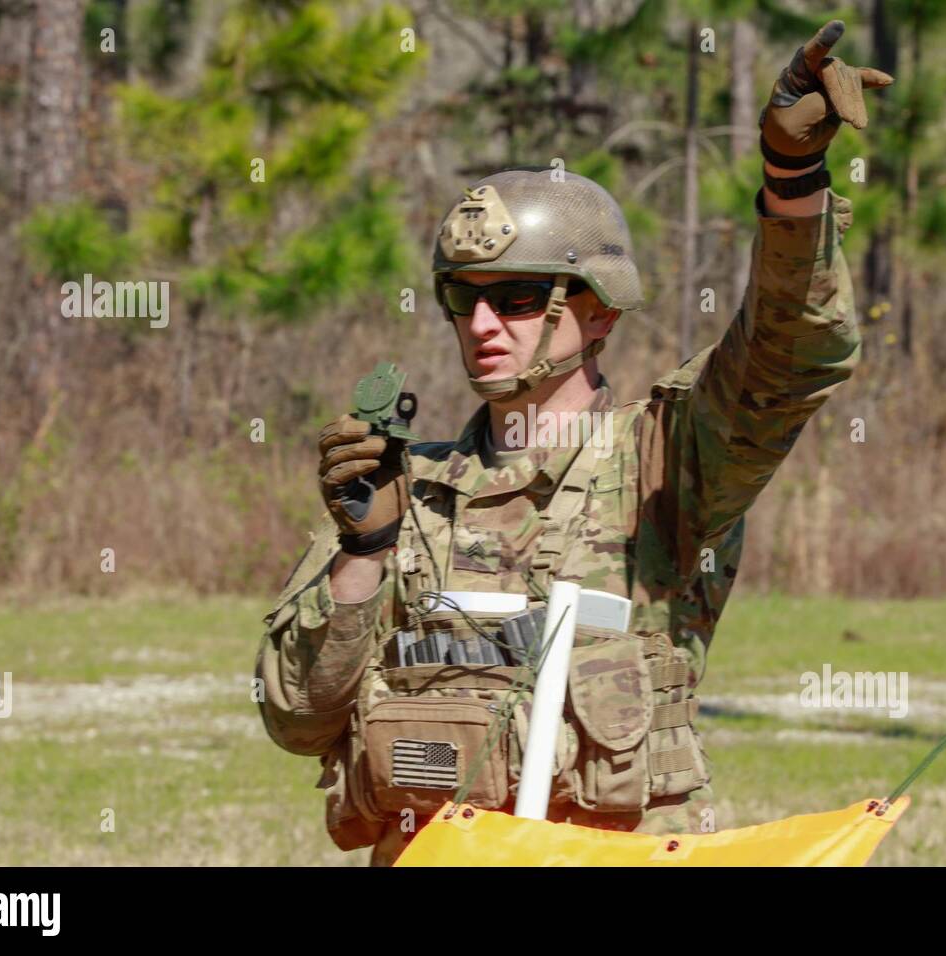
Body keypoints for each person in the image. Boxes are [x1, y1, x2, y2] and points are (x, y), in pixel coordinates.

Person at [255, 21, 891, 866]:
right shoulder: (407, 488)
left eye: (517, 297)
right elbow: (298, 719)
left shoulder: (665, 462)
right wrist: (363, 552)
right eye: (462, 298)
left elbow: (795, 348)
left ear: (597, 310)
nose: (482, 324)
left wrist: (792, 178)